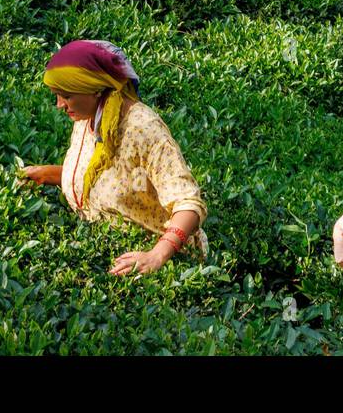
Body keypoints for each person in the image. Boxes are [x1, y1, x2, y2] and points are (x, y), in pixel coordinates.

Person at [20, 39, 208, 276]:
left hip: (157, 258)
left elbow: (188, 203)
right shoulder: (90, 116)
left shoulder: (143, 128)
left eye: (66, 96)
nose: (59, 105)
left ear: (96, 89)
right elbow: (111, 178)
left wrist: (156, 255)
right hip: (103, 241)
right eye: (56, 96)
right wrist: (50, 174)